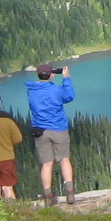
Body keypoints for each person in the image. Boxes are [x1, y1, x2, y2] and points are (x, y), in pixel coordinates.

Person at [26, 61, 77, 205]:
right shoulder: (55, 90)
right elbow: (69, 96)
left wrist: (48, 77)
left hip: (40, 131)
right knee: (64, 160)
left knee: (47, 164)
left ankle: (48, 196)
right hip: (58, 128)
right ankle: (70, 194)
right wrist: (66, 78)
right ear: (51, 74)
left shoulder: (31, 90)